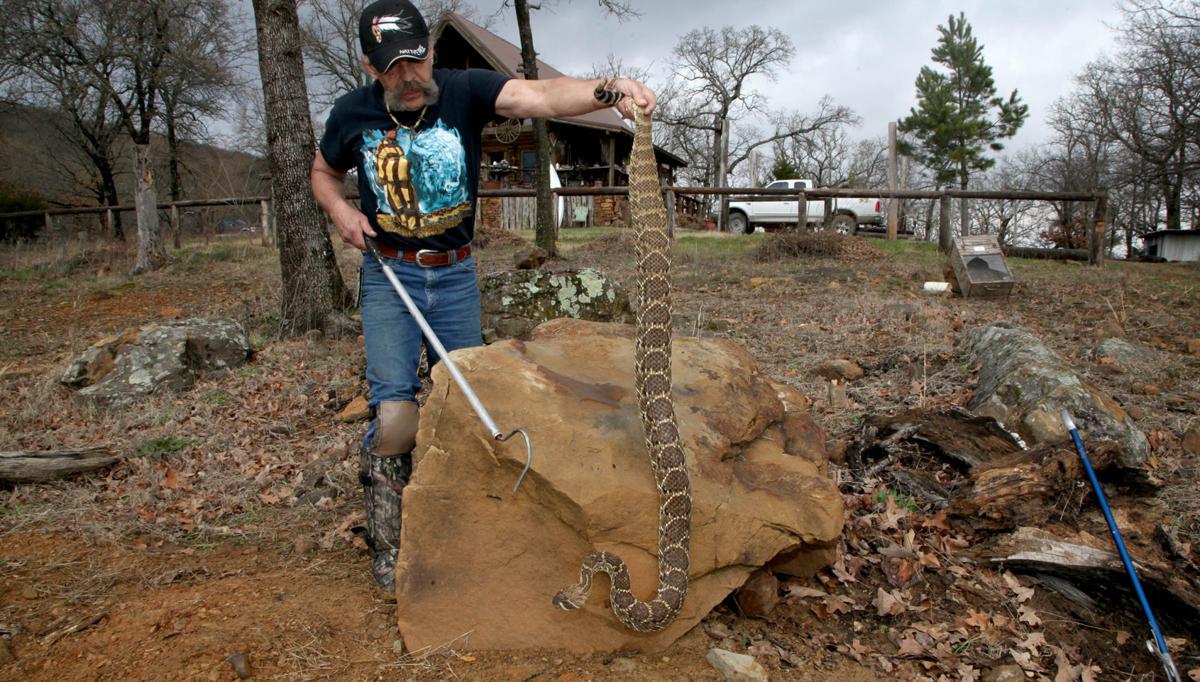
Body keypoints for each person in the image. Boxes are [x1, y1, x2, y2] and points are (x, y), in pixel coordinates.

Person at [311, 0, 656, 594]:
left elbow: (542, 98)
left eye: (416, 61)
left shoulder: (465, 90)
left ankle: (463, 520)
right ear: (370, 68)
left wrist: (611, 88)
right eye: (392, 69)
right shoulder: (352, 114)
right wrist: (341, 210)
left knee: (464, 408)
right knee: (395, 415)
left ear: (432, 53)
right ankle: (392, 550)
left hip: (452, 276)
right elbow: (323, 173)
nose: (408, 78)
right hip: (388, 276)